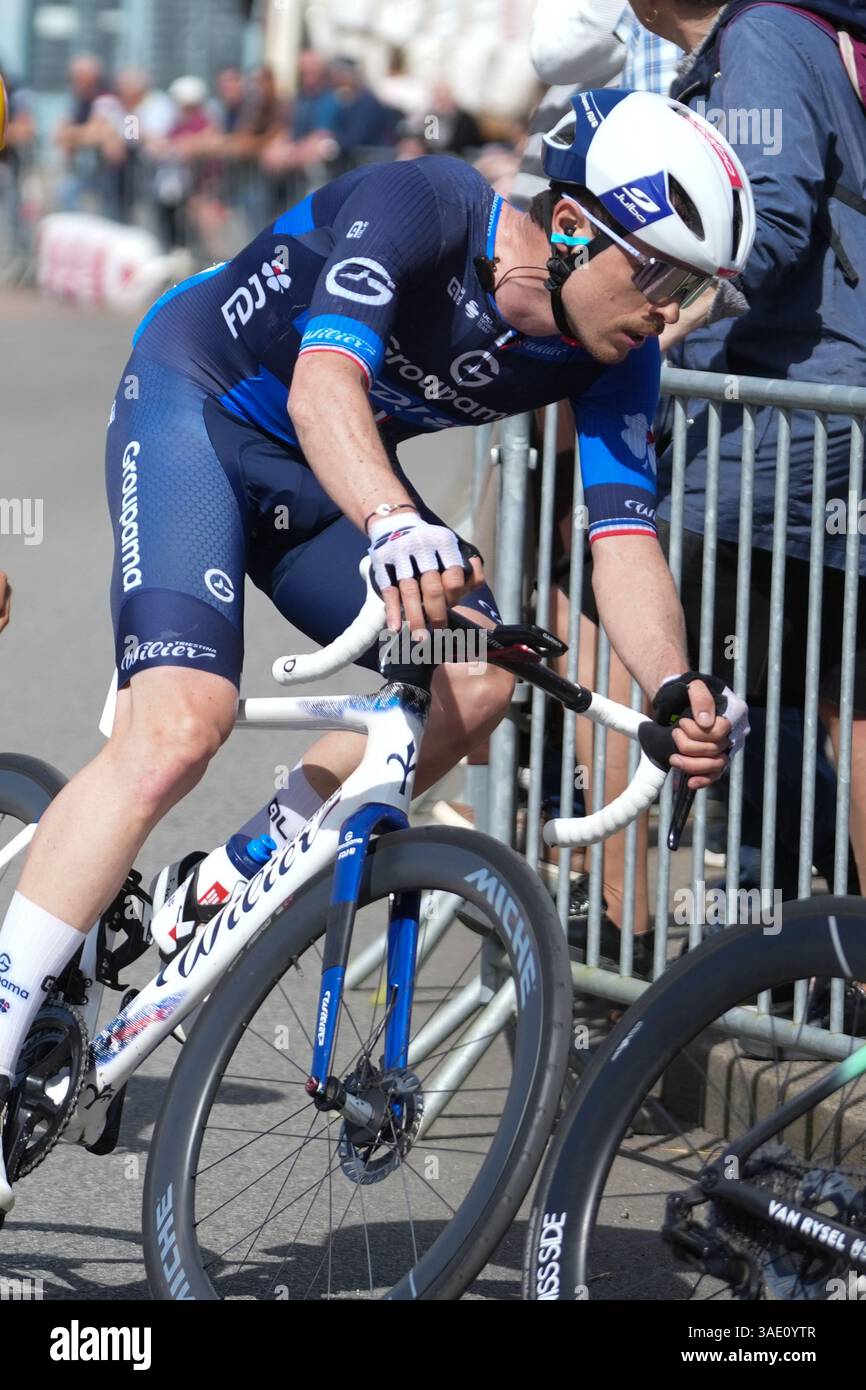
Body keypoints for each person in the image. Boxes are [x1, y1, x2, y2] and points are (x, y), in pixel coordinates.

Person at [0, 90, 752, 1209]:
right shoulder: (425, 206)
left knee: (479, 671)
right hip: (196, 410)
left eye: (693, 293)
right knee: (181, 721)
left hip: (316, 484)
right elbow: (323, 383)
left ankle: (236, 871)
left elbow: (623, 540)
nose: (672, 313)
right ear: (583, 228)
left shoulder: (610, 358)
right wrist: (398, 523)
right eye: (665, 278)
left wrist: (676, 684)